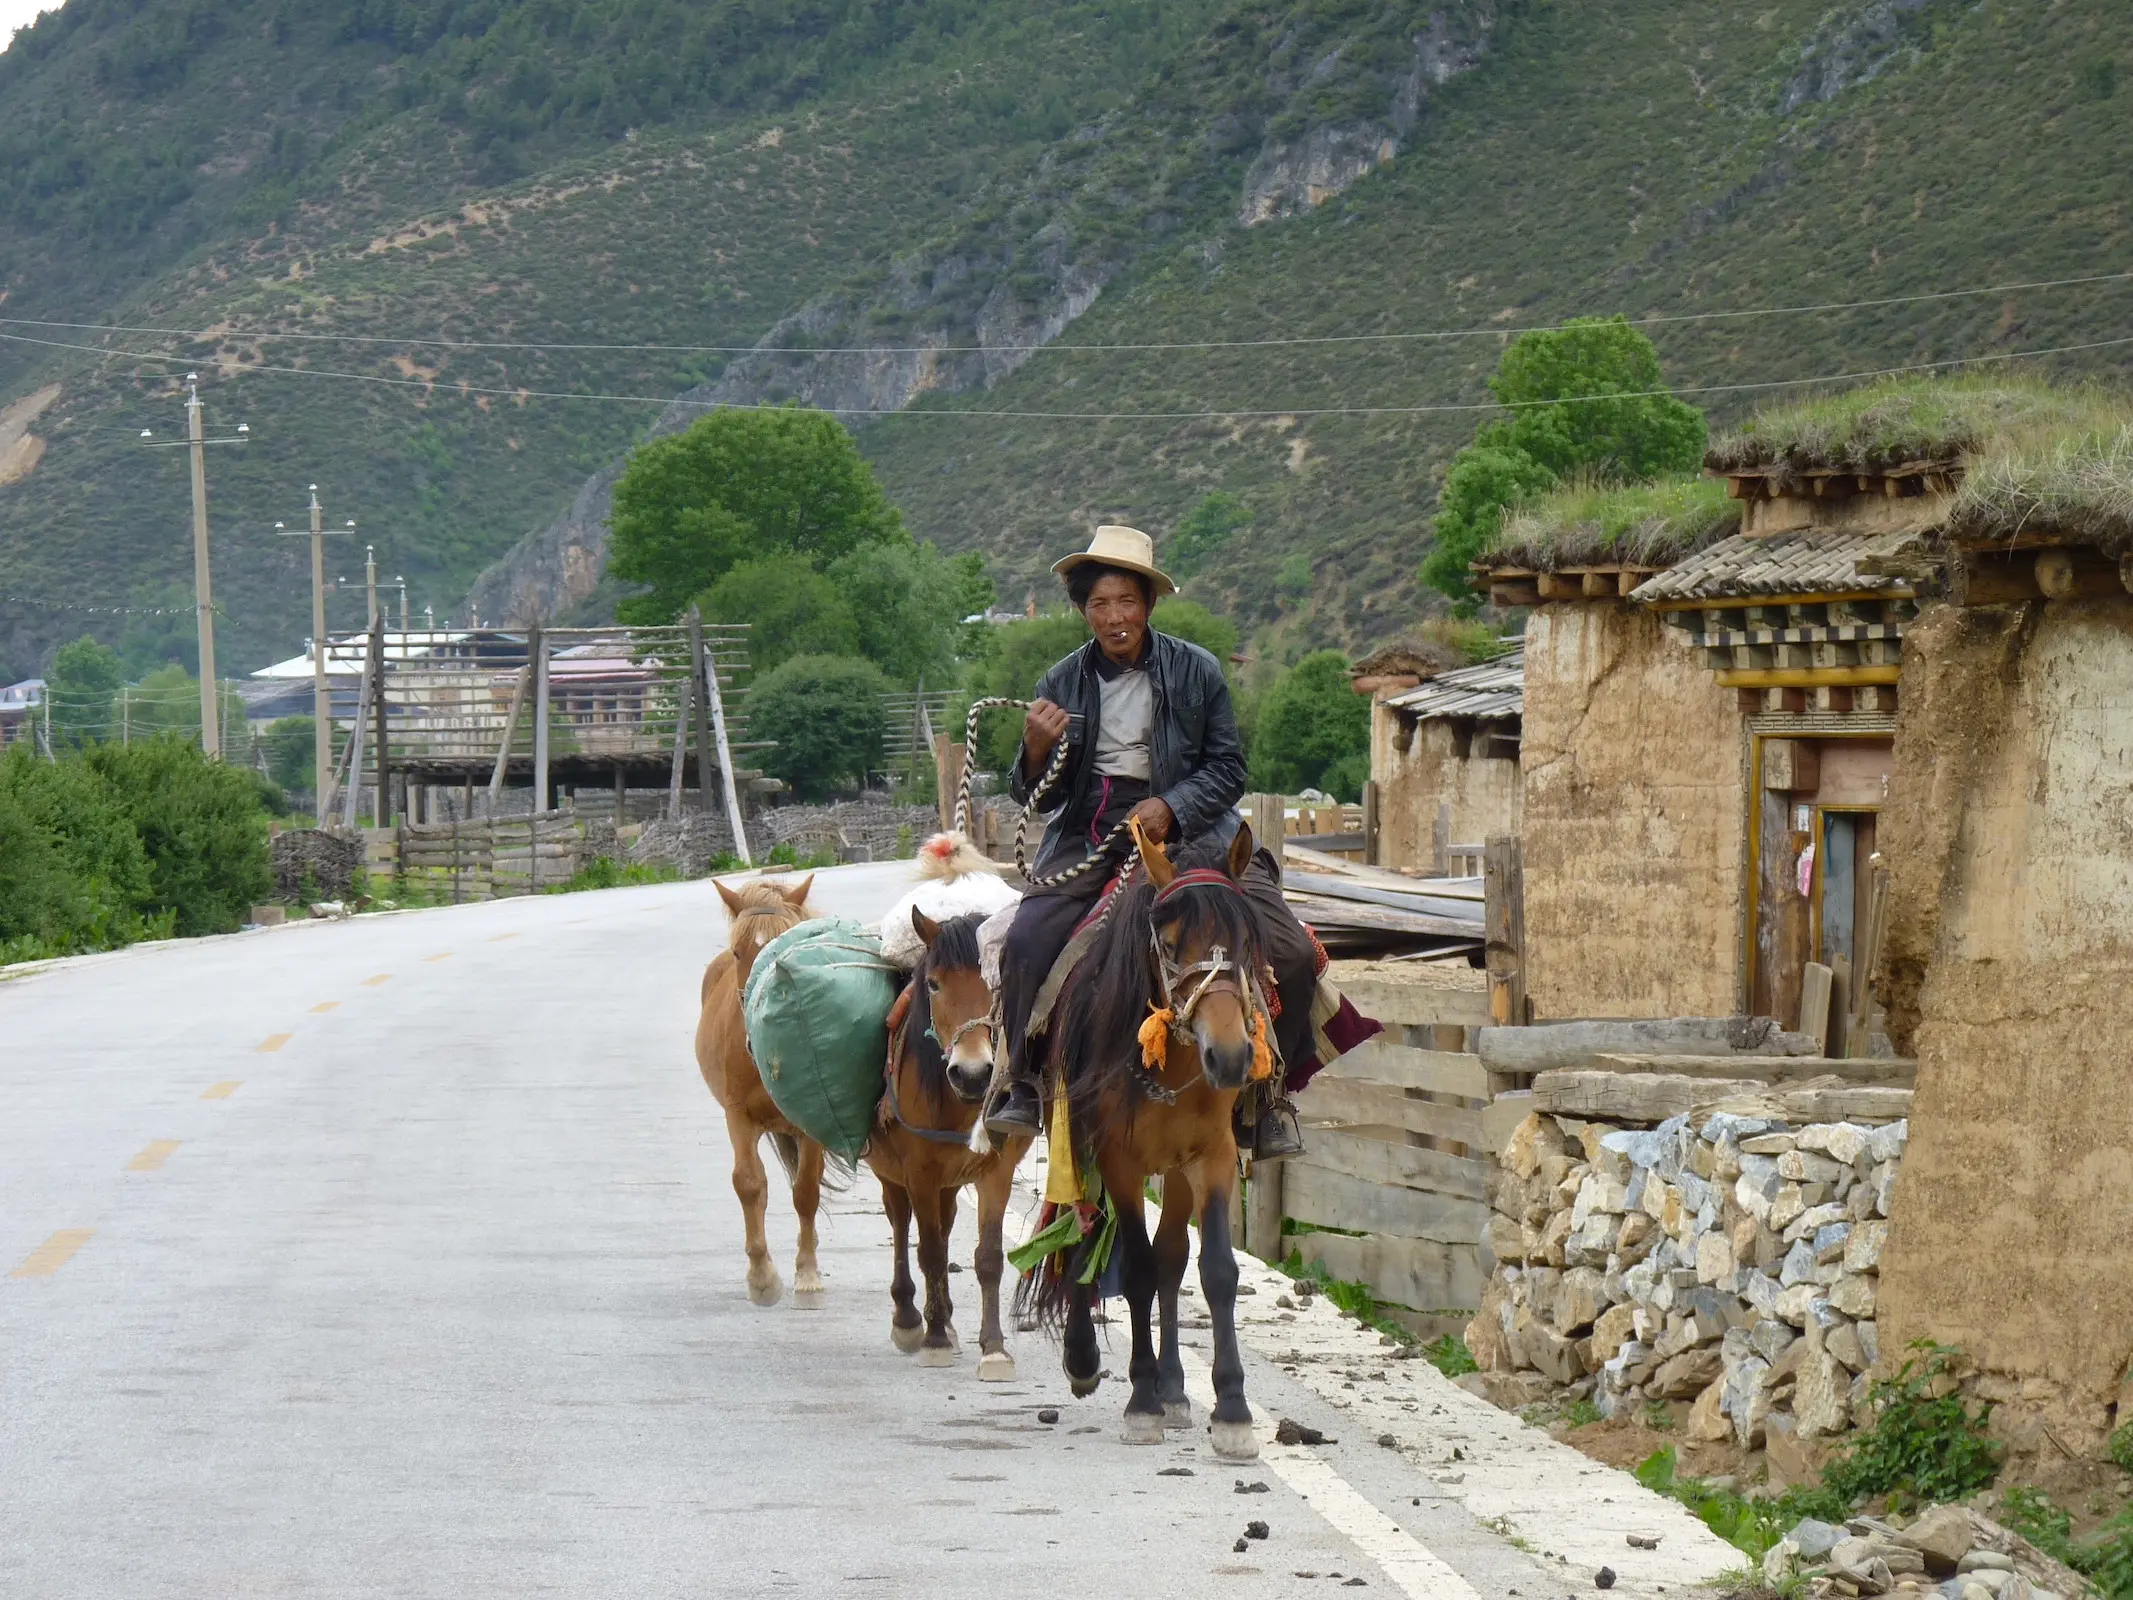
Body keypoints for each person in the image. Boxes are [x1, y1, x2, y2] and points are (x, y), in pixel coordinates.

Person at [986, 525, 1311, 1160]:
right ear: (1084, 612)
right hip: (1091, 830)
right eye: (1100, 605)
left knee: (1294, 953)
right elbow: (1041, 797)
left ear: (1150, 605)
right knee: (1025, 942)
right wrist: (1033, 750)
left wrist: (1173, 805)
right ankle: (1023, 1081)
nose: (1115, 617)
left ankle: (1271, 1100)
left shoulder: (1198, 669)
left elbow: (1226, 768)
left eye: (1127, 602)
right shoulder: (1060, 680)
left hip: (1196, 829)